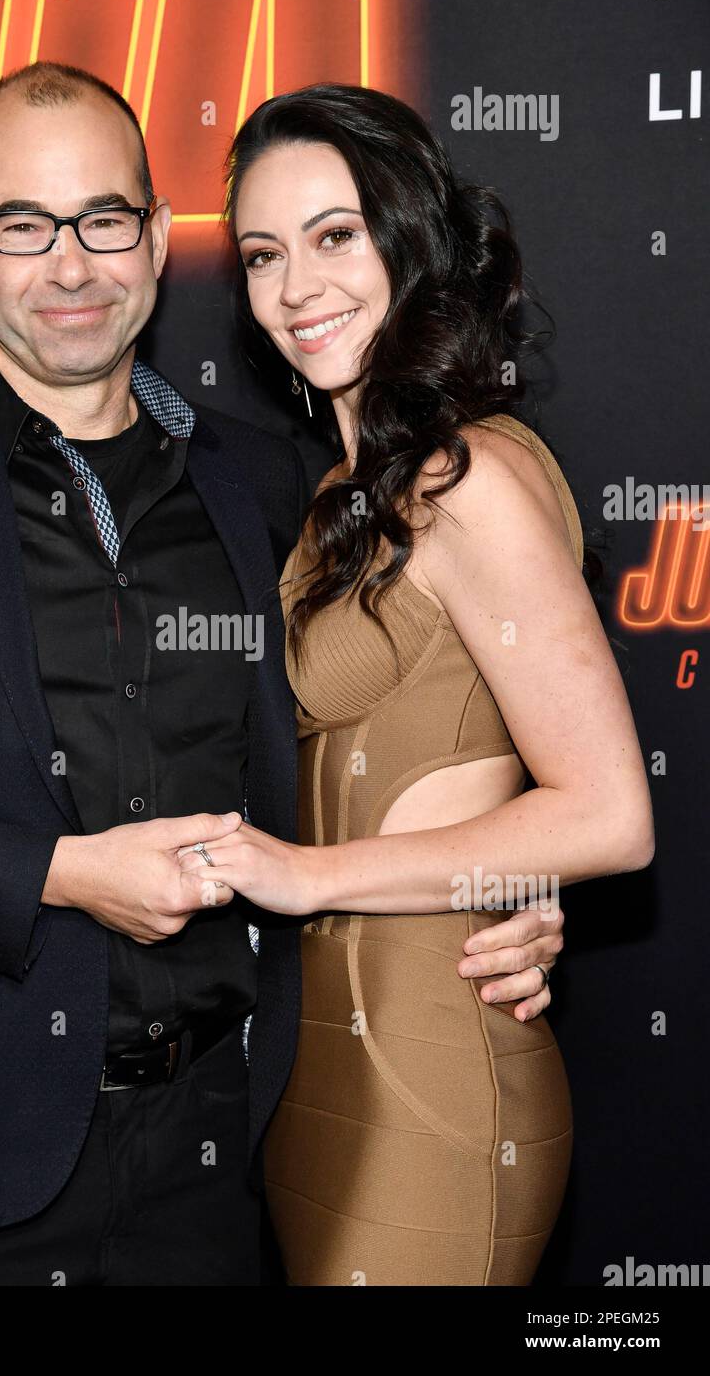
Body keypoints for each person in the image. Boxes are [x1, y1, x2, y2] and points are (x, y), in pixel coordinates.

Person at [0, 64, 567, 1287]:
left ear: (160, 239)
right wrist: (52, 876)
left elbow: (399, 732)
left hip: (233, 1149)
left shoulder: (271, 485)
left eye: (104, 219)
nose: (70, 265)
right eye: (22, 225)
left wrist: (499, 884)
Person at [180, 83, 655, 1286]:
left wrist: (299, 876)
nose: (297, 289)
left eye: (335, 236)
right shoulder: (349, 493)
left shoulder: (465, 477)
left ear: (410, 239)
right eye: (262, 254)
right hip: (320, 1069)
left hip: (432, 1070)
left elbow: (607, 814)